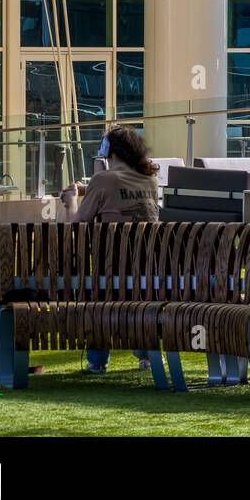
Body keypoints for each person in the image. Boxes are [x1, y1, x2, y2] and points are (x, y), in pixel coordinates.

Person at [59, 126, 160, 374]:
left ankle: (97, 360)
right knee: (136, 299)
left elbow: (76, 225)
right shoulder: (150, 180)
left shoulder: (103, 179)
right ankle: (146, 355)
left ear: (109, 152)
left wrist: (71, 201)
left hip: (110, 272)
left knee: (97, 298)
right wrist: (88, 189)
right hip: (148, 272)